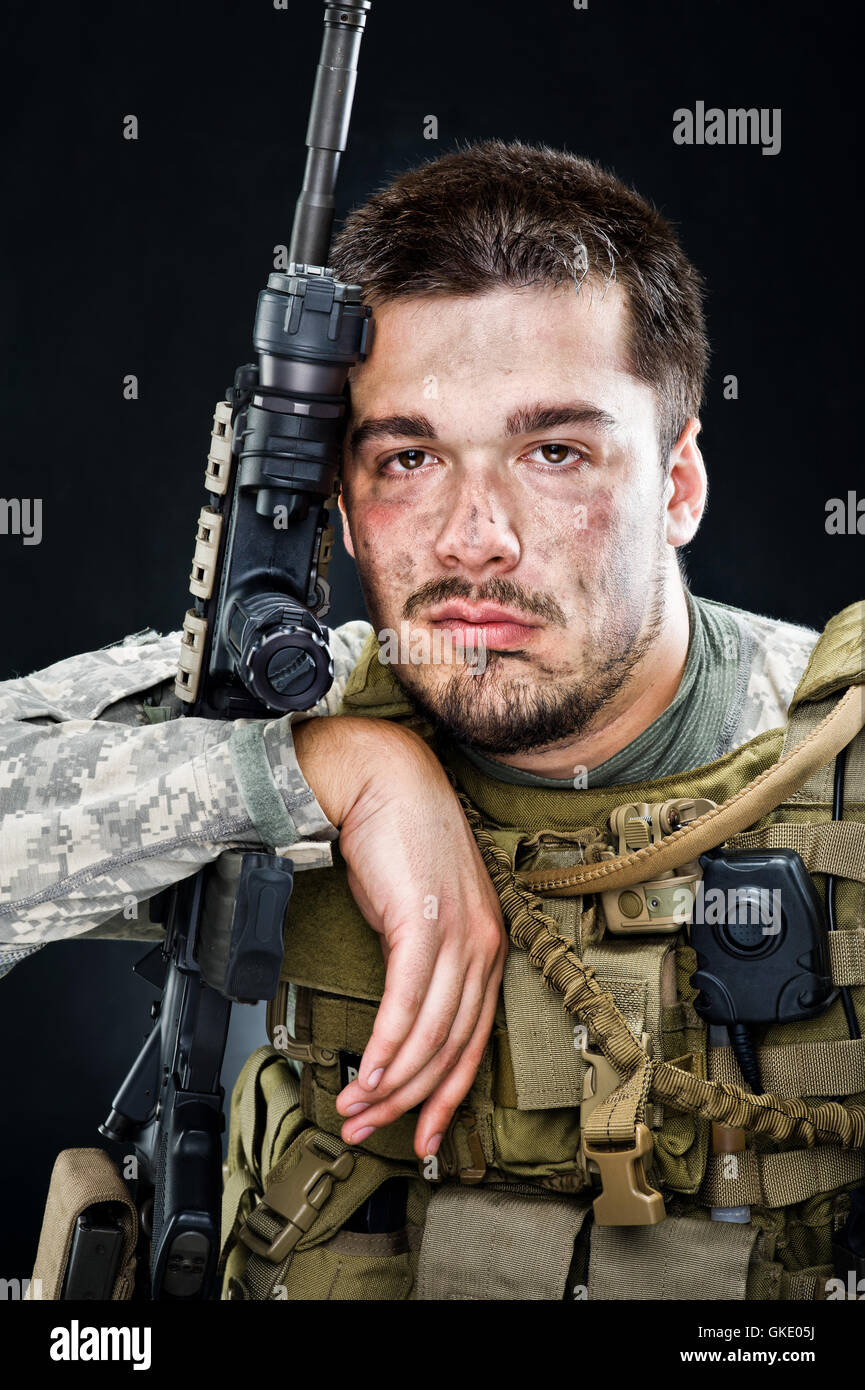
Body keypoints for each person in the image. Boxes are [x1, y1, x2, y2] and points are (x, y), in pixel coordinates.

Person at [2, 141, 860, 1301]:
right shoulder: (272, 714)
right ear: (343, 513)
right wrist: (323, 771)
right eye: (408, 458)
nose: (472, 536)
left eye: (552, 451)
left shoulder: (831, 746)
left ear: (678, 485)